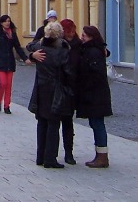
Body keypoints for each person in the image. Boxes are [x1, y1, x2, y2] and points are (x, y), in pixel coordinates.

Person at [26, 20, 73, 169]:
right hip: (55, 90)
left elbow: (29, 45)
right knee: (53, 124)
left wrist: (33, 55)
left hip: (41, 88)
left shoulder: (40, 47)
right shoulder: (62, 49)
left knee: (42, 122)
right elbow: (68, 71)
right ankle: (50, 158)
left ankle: (40, 157)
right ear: (59, 34)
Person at [75, 25, 113, 168]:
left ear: (91, 36)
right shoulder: (93, 49)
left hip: (96, 94)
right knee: (95, 123)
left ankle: (102, 156)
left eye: (84, 35)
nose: (82, 36)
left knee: (97, 124)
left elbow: (95, 74)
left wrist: (85, 85)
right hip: (95, 94)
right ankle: (100, 154)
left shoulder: (93, 52)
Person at [0, 15, 29, 114]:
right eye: (5, 21)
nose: (7, 23)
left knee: (9, 85)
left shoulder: (12, 33)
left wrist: (25, 58)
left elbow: (18, 47)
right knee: (3, 83)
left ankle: (7, 106)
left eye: (9, 21)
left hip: (10, 61)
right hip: (0, 62)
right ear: (1, 23)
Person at [58, 19, 83, 164]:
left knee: (68, 122)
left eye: (73, 31)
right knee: (55, 122)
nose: (71, 34)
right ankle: (51, 152)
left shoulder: (79, 45)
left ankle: (69, 152)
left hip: (73, 88)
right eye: (68, 31)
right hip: (59, 87)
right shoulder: (58, 44)